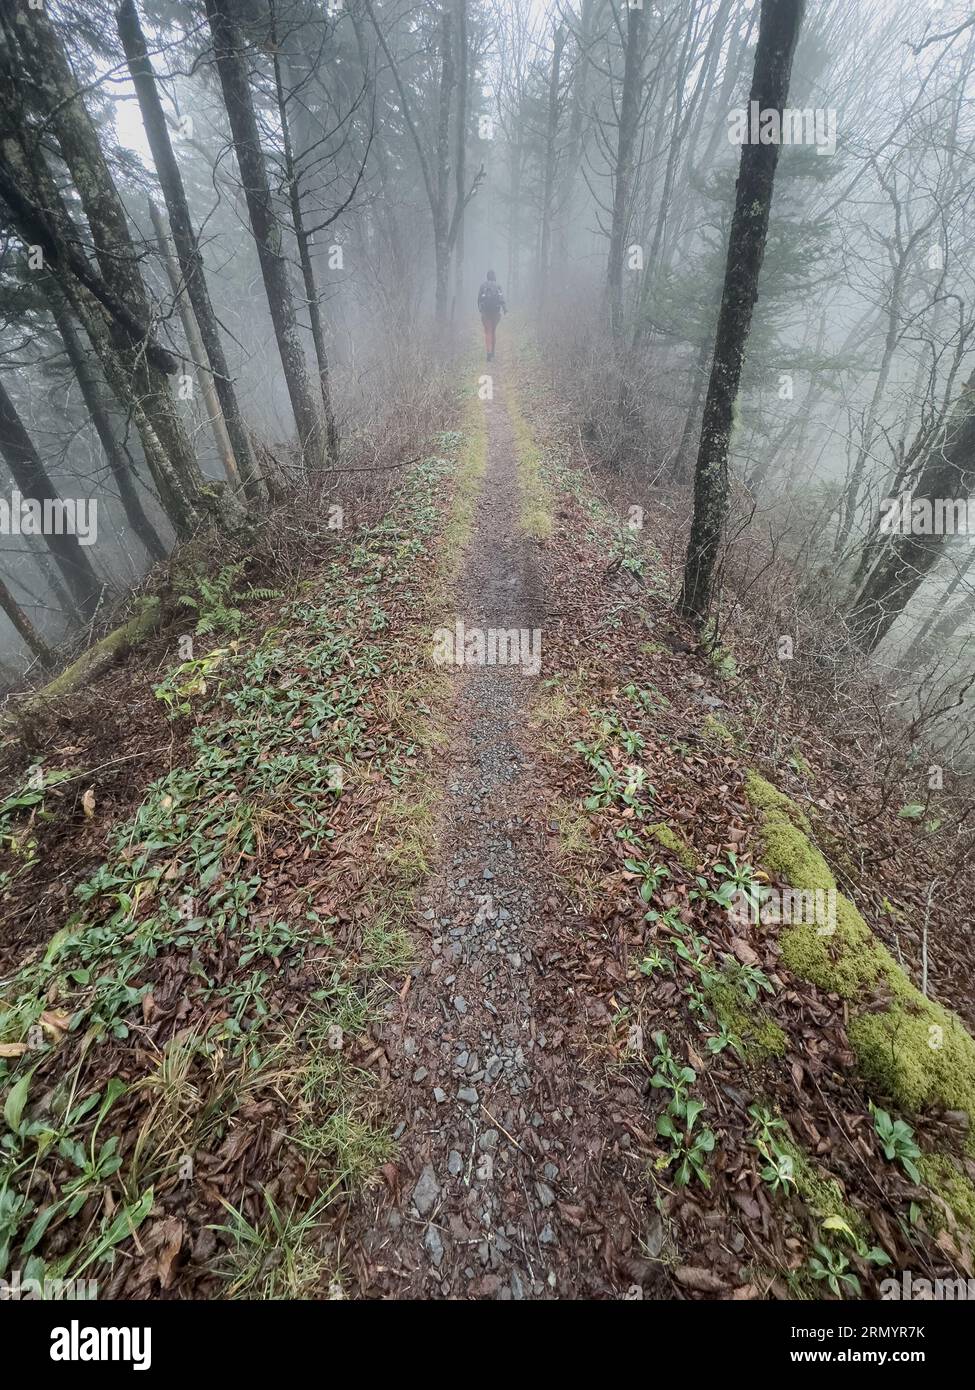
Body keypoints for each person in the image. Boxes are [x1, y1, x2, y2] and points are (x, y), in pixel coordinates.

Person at [477, 269, 506, 361]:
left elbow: (478, 300)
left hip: (486, 312)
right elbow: (501, 299)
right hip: (496, 312)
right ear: (494, 277)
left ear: (487, 276)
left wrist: (481, 310)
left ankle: (488, 352)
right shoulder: (498, 286)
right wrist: (505, 309)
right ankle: (493, 351)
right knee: (493, 331)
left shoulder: (483, 286)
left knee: (487, 331)